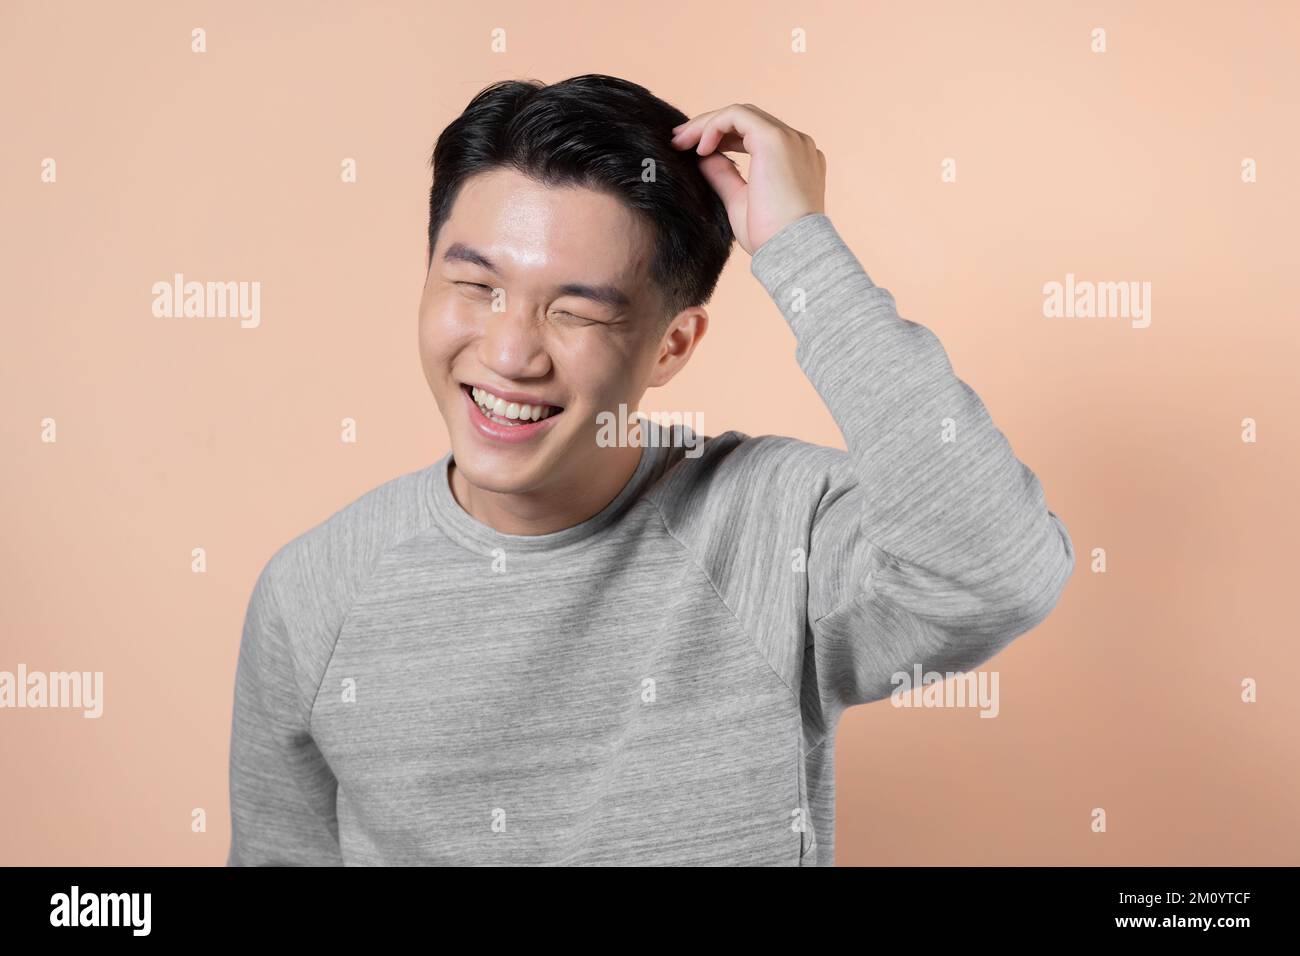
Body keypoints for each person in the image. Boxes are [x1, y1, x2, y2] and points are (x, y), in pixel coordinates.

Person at [226, 74, 1074, 866]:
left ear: (672, 345)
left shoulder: (776, 529)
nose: (509, 351)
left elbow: (994, 572)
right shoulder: (315, 592)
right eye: (477, 287)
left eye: (574, 311)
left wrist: (801, 251)